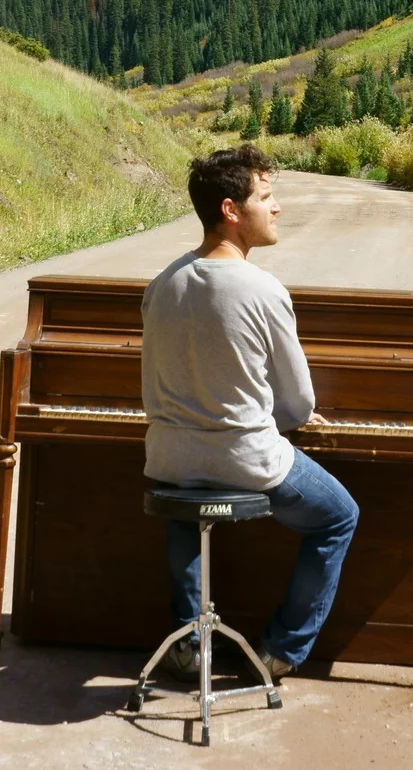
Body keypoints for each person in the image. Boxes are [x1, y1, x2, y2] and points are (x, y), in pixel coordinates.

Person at [143, 145, 358, 684]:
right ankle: (282, 650)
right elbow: (298, 404)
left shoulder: (161, 284)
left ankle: (186, 644)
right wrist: (280, 418)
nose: (277, 208)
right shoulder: (263, 289)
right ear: (232, 211)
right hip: (244, 461)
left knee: (185, 503)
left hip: (166, 460)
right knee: (338, 516)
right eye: (266, 197)